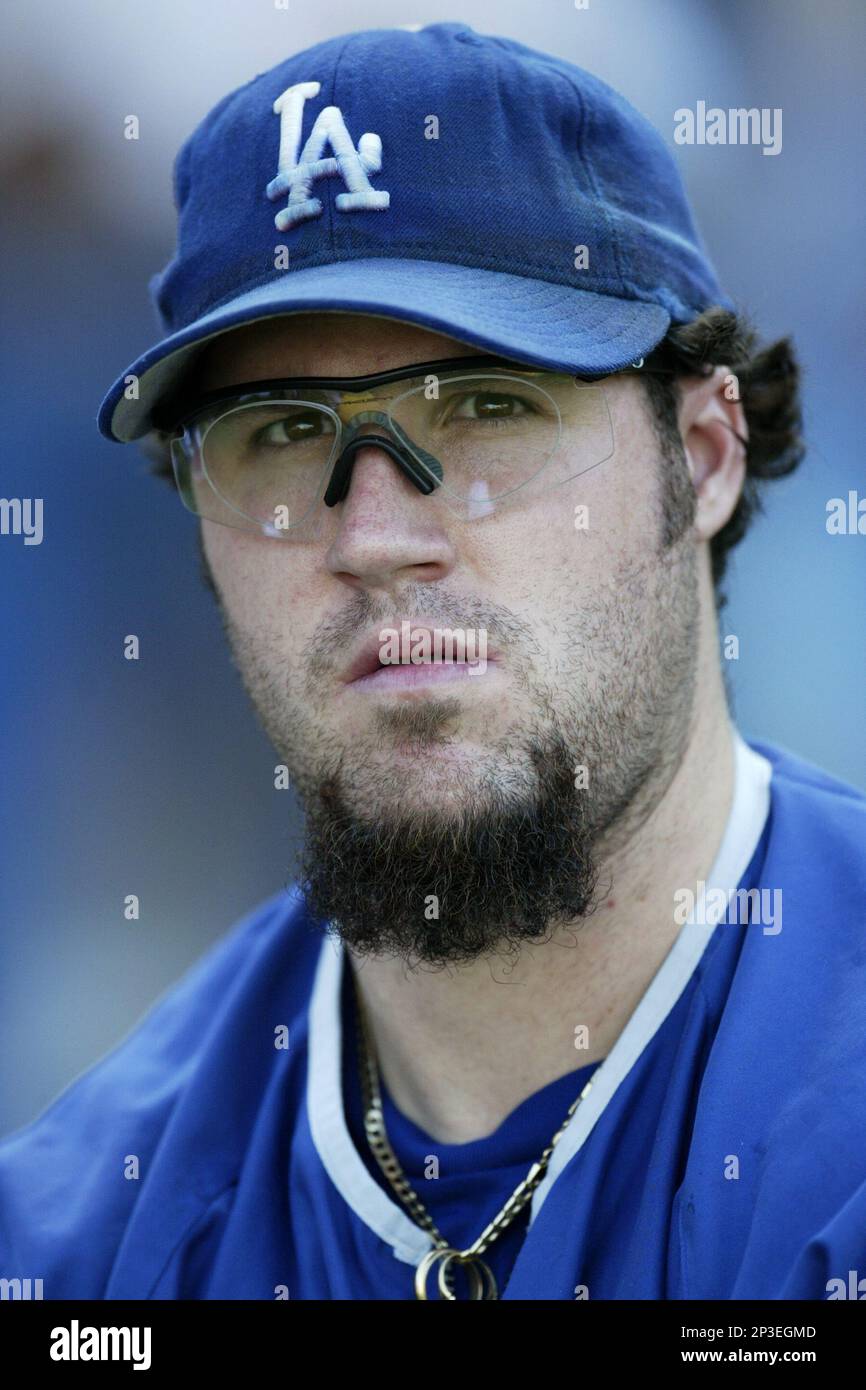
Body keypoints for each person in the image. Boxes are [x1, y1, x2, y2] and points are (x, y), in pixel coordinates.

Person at [2, 21, 864, 1302]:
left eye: (487, 406)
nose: (376, 538)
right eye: (282, 434)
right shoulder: (78, 1253)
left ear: (700, 456)